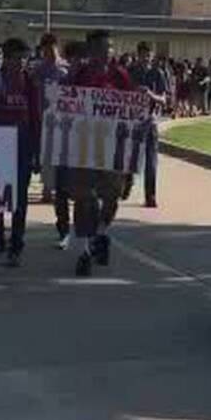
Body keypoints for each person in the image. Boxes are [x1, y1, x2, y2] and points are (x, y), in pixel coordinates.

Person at [67, 29, 134, 276]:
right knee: (84, 199)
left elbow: (131, 110)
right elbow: (65, 107)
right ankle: (84, 250)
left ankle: (102, 233)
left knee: (112, 196)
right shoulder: (79, 75)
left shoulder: (120, 75)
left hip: (113, 147)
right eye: (102, 48)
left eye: (110, 48)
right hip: (84, 146)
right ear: (91, 50)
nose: (107, 53)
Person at [0, 37, 39, 266]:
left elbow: (36, 118)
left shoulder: (30, 83)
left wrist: (37, 149)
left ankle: (16, 243)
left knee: (19, 197)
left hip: (24, 146)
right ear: (5, 59)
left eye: (24, 58)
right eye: (16, 58)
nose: (20, 63)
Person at [31, 34, 71, 243]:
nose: (48, 53)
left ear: (57, 47)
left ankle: (56, 187)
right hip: (42, 117)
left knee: (58, 154)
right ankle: (47, 187)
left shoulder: (65, 69)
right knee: (45, 154)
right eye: (44, 50)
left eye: (51, 49)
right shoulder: (38, 69)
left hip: (61, 119)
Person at [129, 41, 170, 208]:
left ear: (152, 56)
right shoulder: (130, 71)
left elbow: (164, 99)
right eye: (142, 55)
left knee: (151, 160)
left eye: (148, 55)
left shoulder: (157, 73)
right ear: (137, 55)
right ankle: (127, 181)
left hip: (150, 120)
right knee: (128, 156)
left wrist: (151, 95)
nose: (145, 58)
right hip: (132, 120)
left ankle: (150, 195)